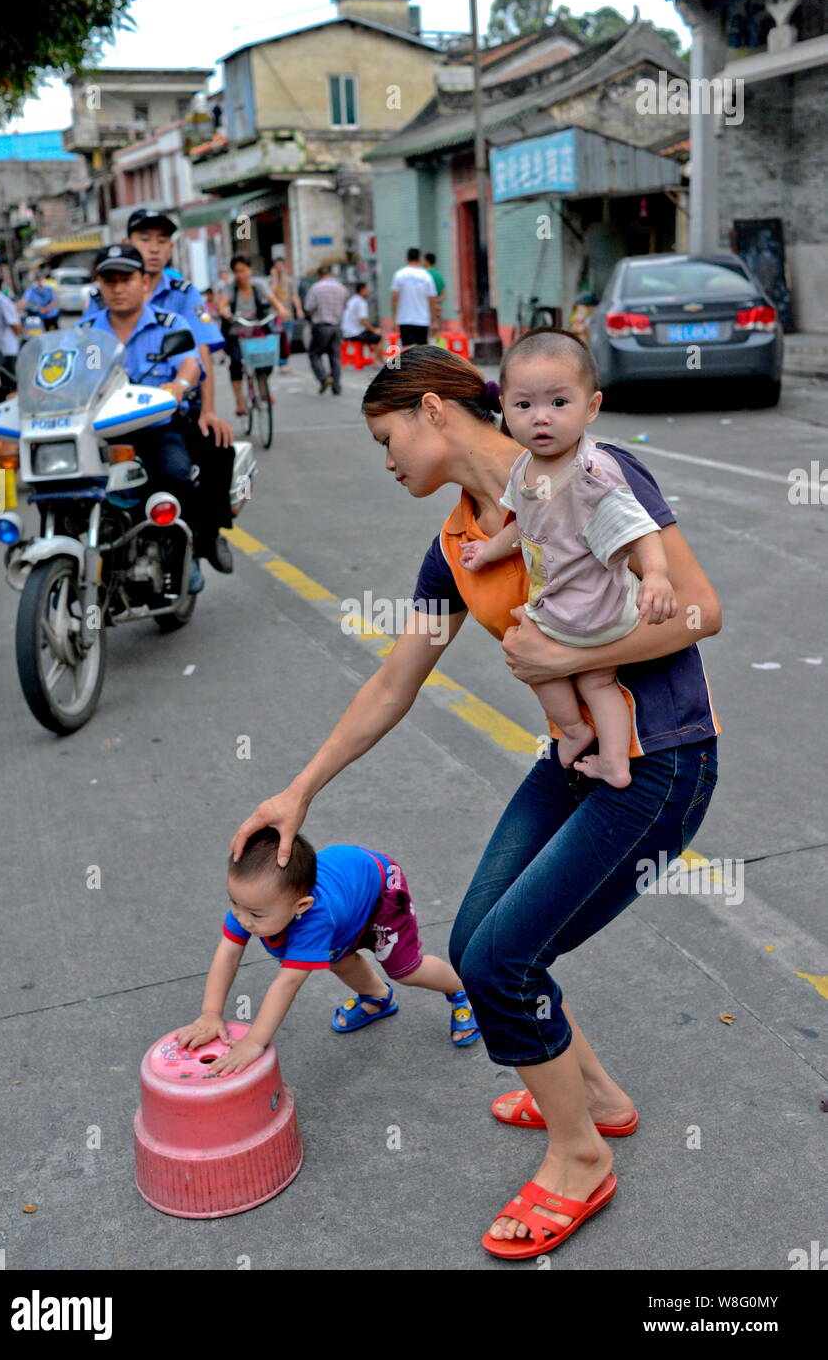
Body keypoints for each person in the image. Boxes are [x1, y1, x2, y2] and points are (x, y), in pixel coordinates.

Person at [228, 342, 722, 1259]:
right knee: (477, 942)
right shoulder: (457, 543)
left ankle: (577, 1158)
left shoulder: (589, 467)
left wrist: (561, 662)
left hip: (659, 760)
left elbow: (698, 608)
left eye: (387, 439)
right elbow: (393, 683)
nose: (386, 463)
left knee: (500, 963)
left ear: (431, 411)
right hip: (576, 759)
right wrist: (296, 790)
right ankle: (599, 1101)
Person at [460, 332, 677, 789]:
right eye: (524, 406)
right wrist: (486, 551)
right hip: (567, 601)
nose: (541, 418)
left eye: (559, 403)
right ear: (505, 411)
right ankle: (612, 760)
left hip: (594, 608)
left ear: (591, 407)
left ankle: (577, 732)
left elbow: (641, 529)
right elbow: (522, 528)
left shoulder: (592, 474)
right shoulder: (525, 467)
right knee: (594, 682)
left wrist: (656, 575)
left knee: (529, 649)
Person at [174, 827, 481, 1075]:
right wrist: (210, 1015)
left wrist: (254, 1042)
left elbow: (288, 982)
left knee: (405, 968)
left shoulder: (313, 920)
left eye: (254, 915)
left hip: (379, 888)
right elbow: (228, 953)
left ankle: (464, 991)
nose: (241, 918)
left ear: (301, 906)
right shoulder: (252, 905)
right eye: (233, 902)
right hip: (348, 897)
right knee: (338, 959)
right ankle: (378, 997)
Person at [85, 209, 235, 575]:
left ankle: (201, 538)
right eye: (144, 239)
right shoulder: (98, 301)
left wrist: (205, 408)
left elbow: (198, 354)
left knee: (209, 452)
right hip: (108, 415)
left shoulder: (182, 296)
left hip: (170, 406)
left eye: (162, 241)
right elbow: (82, 351)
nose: (153, 248)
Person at [77, 243, 206, 595]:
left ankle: (183, 557)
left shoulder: (168, 325)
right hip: (101, 433)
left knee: (176, 477)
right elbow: (81, 376)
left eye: (126, 279)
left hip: (155, 428)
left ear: (144, 283)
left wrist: (179, 385)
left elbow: (190, 362)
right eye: (109, 280)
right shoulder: (88, 333)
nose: (118, 288)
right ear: (99, 285)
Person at [218, 254, 287, 416]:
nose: (241, 275)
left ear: (250, 270)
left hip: (258, 330)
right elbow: (222, 304)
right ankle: (239, 400)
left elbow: (273, 300)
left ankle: (263, 387)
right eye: (237, 271)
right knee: (235, 363)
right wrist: (224, 312)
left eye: (243, 270)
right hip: (237, 333)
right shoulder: (231, 288)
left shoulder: (259, 285)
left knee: (268, 359)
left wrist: (282, 310)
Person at [304, 263, 349, 395]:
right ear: (331, 274)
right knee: (335, 357)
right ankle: (336, 387)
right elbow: (346, 306)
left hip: (321, 326)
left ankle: (323, 378)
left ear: (319, 275)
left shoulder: (316, 288)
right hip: (336, 326)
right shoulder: (342, 288)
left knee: (314, 354)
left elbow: (309, 307)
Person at [391, 247, 439, 347]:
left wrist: (394, 319)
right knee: (421, 353)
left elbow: (395, 298)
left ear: (407, 258)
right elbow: (432, 300)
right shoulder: (426, 276)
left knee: (408, 351)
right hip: (422, 319)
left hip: (404, 319)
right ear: (420, 259)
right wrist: (434, 320)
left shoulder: (400, 275)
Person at [268, 257, 304, 369]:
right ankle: (279, 362)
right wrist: (274, 278)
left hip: (287, 315)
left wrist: (299, 309)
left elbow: (294, 296)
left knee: (287, 340)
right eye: (277, 266)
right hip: (274, 316)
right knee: (276, 340)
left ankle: (283, 362)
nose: (279, 268)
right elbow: (271, 295)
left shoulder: (289, 281)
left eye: (281, 265)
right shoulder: (270, 281)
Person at [341, 280, 384, 367]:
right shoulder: (361, 302)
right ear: (362, 290)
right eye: (367, 289)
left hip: (346, 333)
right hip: (355, 333)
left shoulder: (352, 300)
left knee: (372, 336)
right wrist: (374, 330)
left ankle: (376, 360)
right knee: (379, 338)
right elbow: (363, 321)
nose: (369, 291)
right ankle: (377, 362)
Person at [423, 252, 446, 334]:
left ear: (426, 261)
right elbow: (443, 295)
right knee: (437, 335)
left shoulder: (423, 275)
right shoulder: (438, 275)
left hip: (425, 310)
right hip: (437, 309)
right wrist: (435, 301)